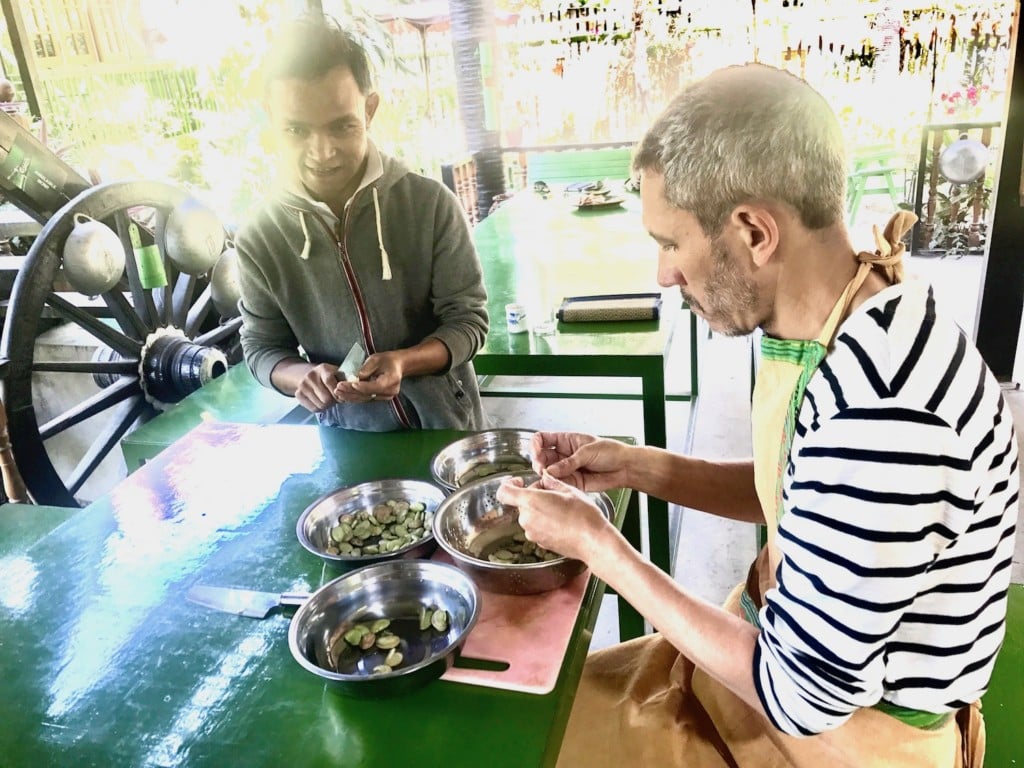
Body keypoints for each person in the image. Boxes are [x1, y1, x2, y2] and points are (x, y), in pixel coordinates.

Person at [497, 63, 1017, 768]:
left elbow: (797, 695)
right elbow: (803, 495)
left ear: (753, 232)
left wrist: (601, 548)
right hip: (779, 665)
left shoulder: (885, 413)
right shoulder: (860, 311)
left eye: (671, 243)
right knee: (534, 716)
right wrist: (637, 466)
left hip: (834, 733)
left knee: (532, 746)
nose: (664, 276)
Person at [235, 16, 489, 430]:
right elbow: (261, 347)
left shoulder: (429, 205)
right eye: (297, 129)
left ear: (369, 110)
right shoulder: (259, 237)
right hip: (347, 439)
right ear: (270, 118)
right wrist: (301, 376)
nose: (322, 152)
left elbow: (468, 322)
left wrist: (403, 362)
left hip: (446, 430)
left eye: (342, 126)